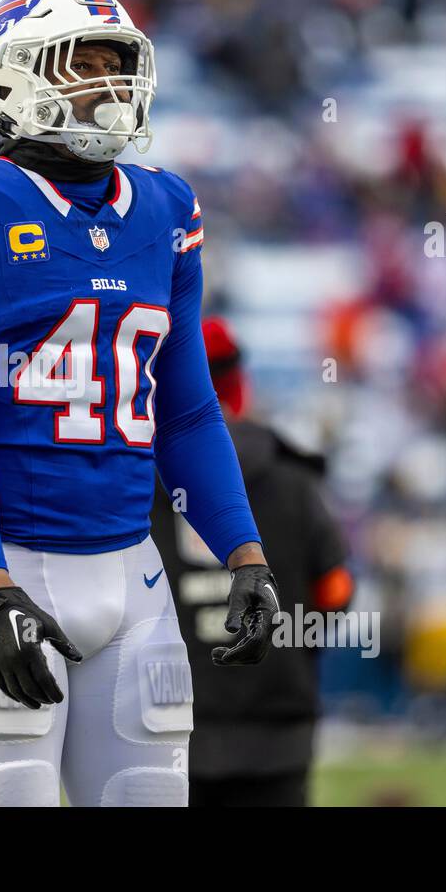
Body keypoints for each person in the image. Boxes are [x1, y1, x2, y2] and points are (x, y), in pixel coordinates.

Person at [0, 0, 279, 807]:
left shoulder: (165, 208)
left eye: (116, 64)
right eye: (80, 63)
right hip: (6, 566)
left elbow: (188, 409)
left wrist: (245, 552)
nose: (107, 85)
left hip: (135, 574)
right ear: (12, 75)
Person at [151, 318, 352, 806]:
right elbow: (336, 592)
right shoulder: (293, 478)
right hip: (275, 731)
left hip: (166, 722)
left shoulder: (137, 477)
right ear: (239, 382)